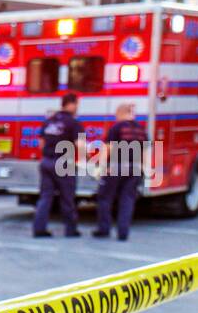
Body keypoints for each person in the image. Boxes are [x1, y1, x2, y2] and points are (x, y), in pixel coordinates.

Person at [33, 92, 83, 238]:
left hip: (47, 161)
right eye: (77, 104)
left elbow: (41, 143)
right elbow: (79, 145)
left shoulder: (49, 121)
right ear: (72, 104)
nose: (78, 108)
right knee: (67, 198)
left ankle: (39, 229)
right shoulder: (74, 123)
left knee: (45, 197)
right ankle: (71, 229)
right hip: (64, 163)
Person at [94, 102, 147, 241]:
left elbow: (108, 148)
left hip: (116, 166)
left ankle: (104, 229)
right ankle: (123, 233)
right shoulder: (141, 129)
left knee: (105, 198)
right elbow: (145, 152)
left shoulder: (117, 127)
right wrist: (143, 168)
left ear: (120, 113)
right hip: (134, 168)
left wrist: (102, 167)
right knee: (127, 200)